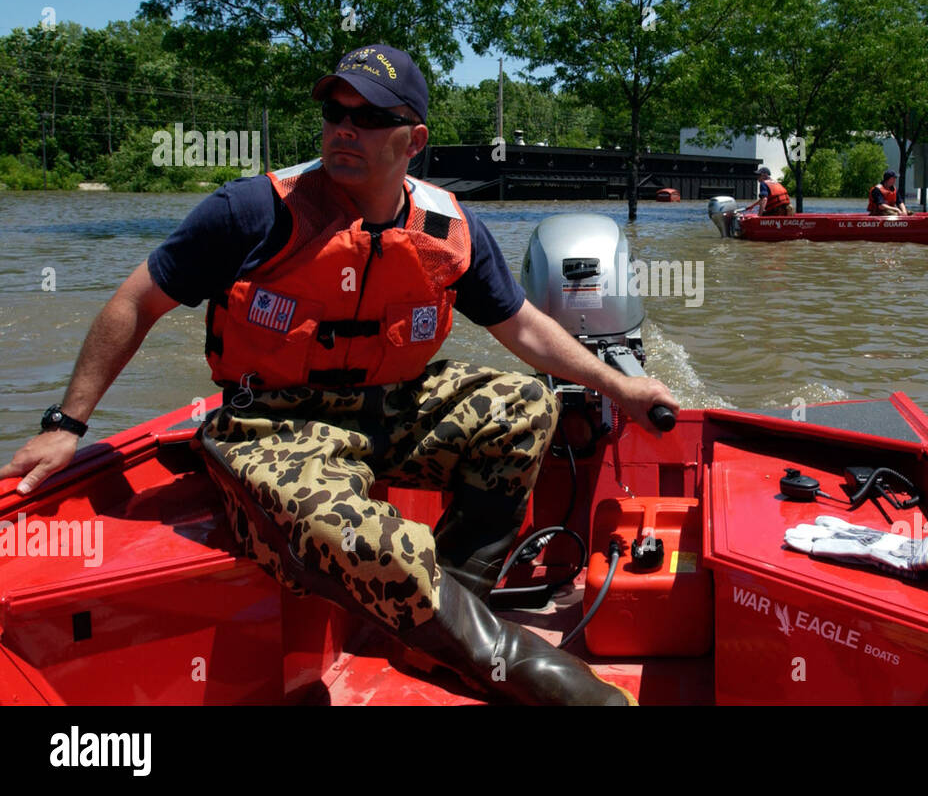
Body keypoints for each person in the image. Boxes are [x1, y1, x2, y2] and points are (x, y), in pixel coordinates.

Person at [0, 43, 679, 706]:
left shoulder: (449, 228)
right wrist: (67, 424)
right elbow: (133, 303)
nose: (344, 128)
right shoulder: (252, 212)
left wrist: (620, 386)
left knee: (527, 403)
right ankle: (545, 680)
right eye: (334, 111)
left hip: (383, 408)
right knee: (374, 541)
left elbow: (524, 327)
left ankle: (436, 622)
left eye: (369, 117)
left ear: (413, 140)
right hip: (270, 423)